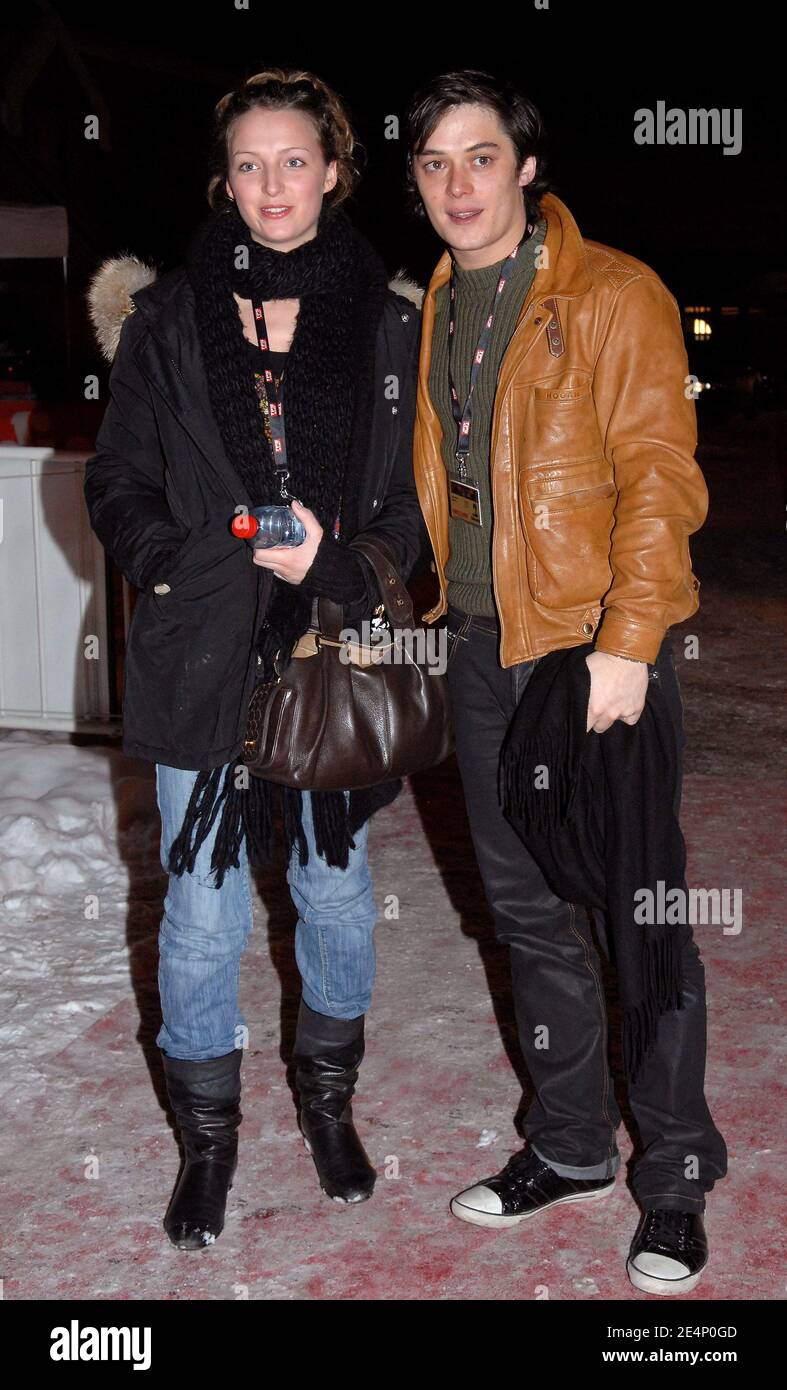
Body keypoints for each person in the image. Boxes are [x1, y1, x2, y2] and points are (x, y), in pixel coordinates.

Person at [84, 68, 424, 1249]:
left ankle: (328, 1105)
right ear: (222, 182)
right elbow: (116, 479)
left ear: (334, 171)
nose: (271, 185)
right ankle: (208, 1143)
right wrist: (174, 563)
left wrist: (344, 563)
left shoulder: (388, 323)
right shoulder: (170, 316)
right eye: (248, 164)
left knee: (333, 890)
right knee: (200, 909)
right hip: (202, 652)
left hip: (330, 648)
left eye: (293, 161)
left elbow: (416, 503)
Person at [406, 69, 727, 1295]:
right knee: (529, 912)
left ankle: (676, 1173)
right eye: (434, 163)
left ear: (527, 167)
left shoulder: (613, 294)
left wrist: (629, 640)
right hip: (480, 644)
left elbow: (659, 474)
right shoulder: (440, 300)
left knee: (637, 918)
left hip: (589, 647)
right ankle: (572, 1144)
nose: (457, 184)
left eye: (480, 156)